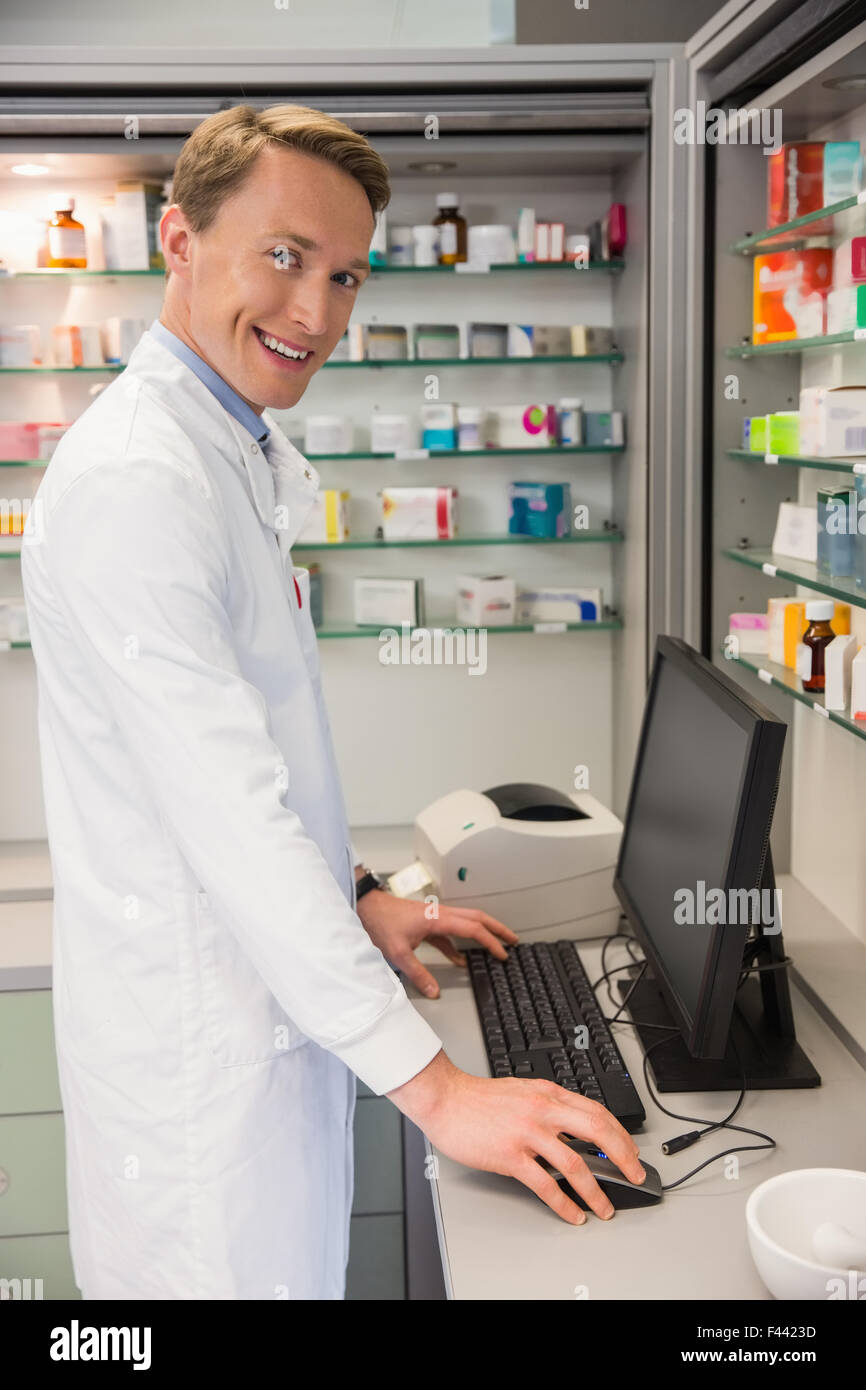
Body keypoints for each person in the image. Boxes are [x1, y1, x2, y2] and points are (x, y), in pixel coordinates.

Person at [21, 103, 646, 1301]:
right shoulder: (137, 482)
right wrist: (440, 1093)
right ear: (179, 240)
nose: (315, 312)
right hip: (201, 1088)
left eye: (345, 274)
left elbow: (252, 764)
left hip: (265, 1025)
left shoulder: (228, 450)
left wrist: (358, 898)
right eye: (284, 256)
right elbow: (228, 821)